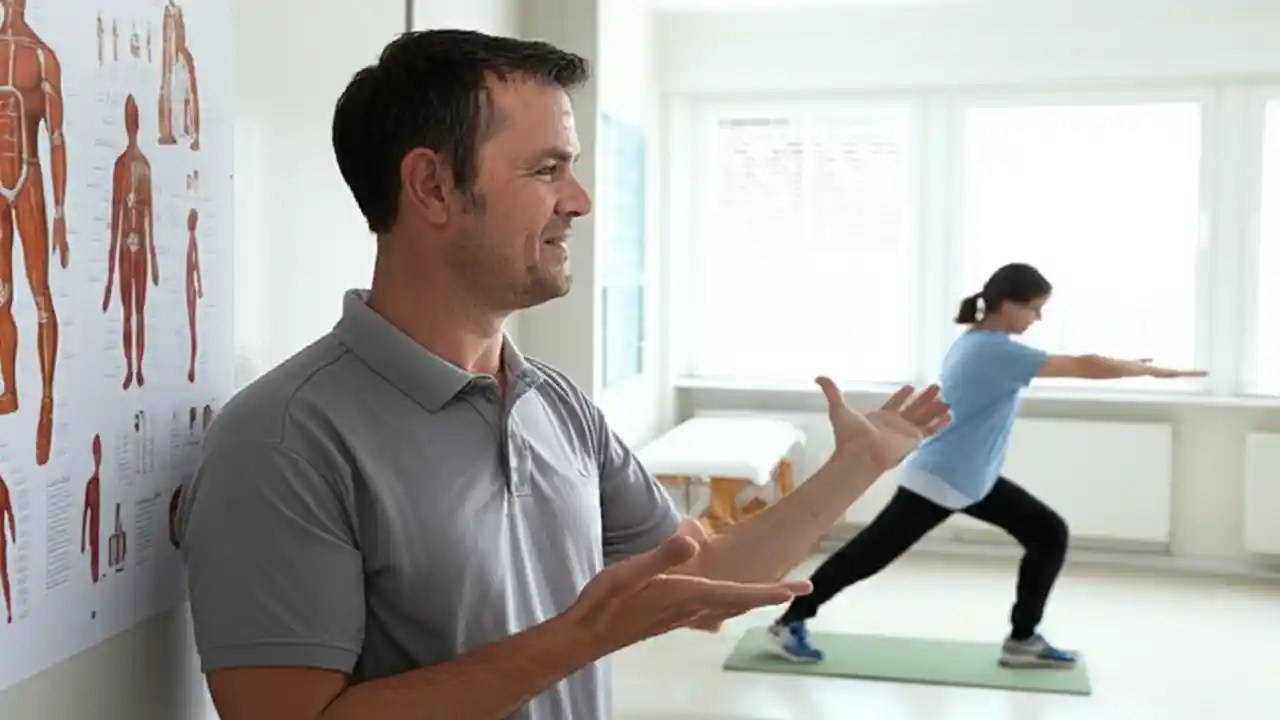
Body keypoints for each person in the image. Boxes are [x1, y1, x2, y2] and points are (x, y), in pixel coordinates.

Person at [176, 29, 950, 720]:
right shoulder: (282, 440)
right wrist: (573, 641)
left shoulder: (557, 406)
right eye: (548, 170)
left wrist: (856, 464)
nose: (579, 202)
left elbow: (700, 585)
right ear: (433, 187)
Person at [768, 262, 1206, 668]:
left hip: (970, 477)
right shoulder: (994, 351)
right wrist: (1143, 371)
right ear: (1007, 304)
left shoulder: (979, 344)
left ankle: (1022, 640)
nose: (1035, 319)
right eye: (1033, 309)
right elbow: (1082, 364)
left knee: (1047, 533)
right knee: (868, 556)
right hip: (945, 478)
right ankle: (789, 621)